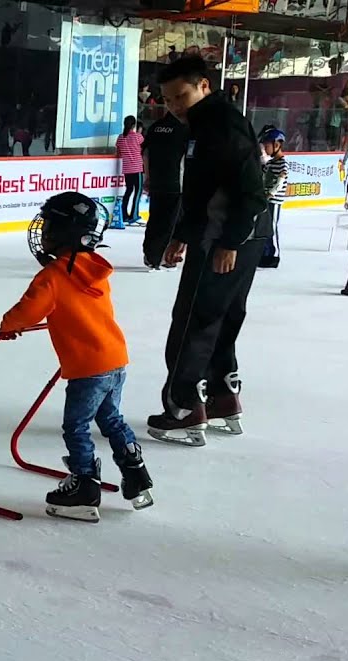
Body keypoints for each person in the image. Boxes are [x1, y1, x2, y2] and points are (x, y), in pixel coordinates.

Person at [0, 192, 154, 523]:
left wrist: (8, 325)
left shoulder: (54, 275)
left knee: (76, 426)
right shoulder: (96, 269)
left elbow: (29, 310)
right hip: (115, 360)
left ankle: (84, 485)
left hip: (87, 368)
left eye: (50, 225)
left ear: (66, 232)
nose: (43, 233)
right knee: (111, 419)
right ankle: (135, 471)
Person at [148, 56, 270, 447]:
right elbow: (202, 191)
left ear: (204, 86)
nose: (174, 107)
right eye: (167, 101)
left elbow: (251, 190)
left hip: (225, 240)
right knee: (222, 316)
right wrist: (182, 234)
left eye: (181, 96)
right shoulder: (206, 124)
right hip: (226, 236)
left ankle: (183, 407)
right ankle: (221, 397)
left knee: (193, 320)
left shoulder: (220, 124)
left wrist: (229, 240)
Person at [141, 108, 189, 270]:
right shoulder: (185, 129)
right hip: (176, 184)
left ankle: (150, 254)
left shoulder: (156, 126)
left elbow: (146, 154)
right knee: (171, 222)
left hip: (156, 182)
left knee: (155, 219)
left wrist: (147, 177)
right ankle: (165, 257)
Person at [257, 127, 289, 269]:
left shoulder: (282, 163)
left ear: (277, 145)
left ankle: (274, 255)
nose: (265, 149)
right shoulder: (270, 163)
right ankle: (265, 253)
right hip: (265, 199)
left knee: (272, 227)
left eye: (267, 146)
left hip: (274, 201)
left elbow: (281, 179)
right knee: (264, 227)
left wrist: (271, 192)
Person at [116, 116, 145, 225]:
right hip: (137, 168)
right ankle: (134, 215)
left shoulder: (120, 137)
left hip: (127, 168)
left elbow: (118, 152)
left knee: (128, 191)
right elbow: (143, 149)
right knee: (138, 192)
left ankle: (124, 214)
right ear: (134, 125)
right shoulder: (138, 137)